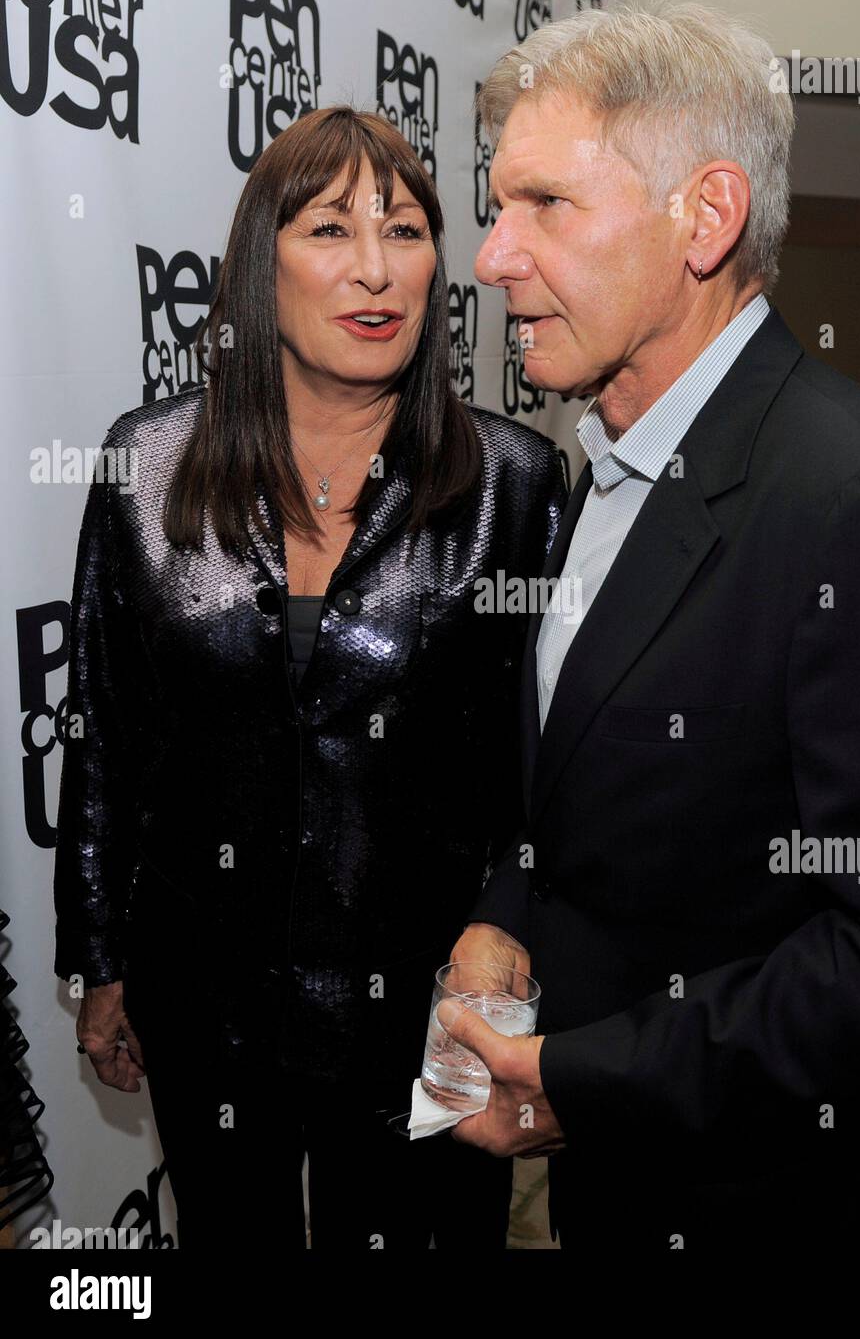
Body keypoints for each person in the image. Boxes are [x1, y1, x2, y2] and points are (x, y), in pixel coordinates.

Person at [442, 0, 860, 1250]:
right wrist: (509, 909)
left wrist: (595, 1074)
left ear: (705, 218)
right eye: (498, 207)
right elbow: (590, 781)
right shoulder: (600, 461)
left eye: (545, 206)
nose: (491, 258)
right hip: (623, 1189)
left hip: (784, 1210)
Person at [53, 105, 567, 1250]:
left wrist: (512, 947)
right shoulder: (145, 467)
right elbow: (107, 736)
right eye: (330, 229)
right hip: (205, 995)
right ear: (258, 264)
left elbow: (546, 775)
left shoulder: (516, 484)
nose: (376, 269)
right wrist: (98, 960)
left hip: (429, 1008)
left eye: (407, 229)